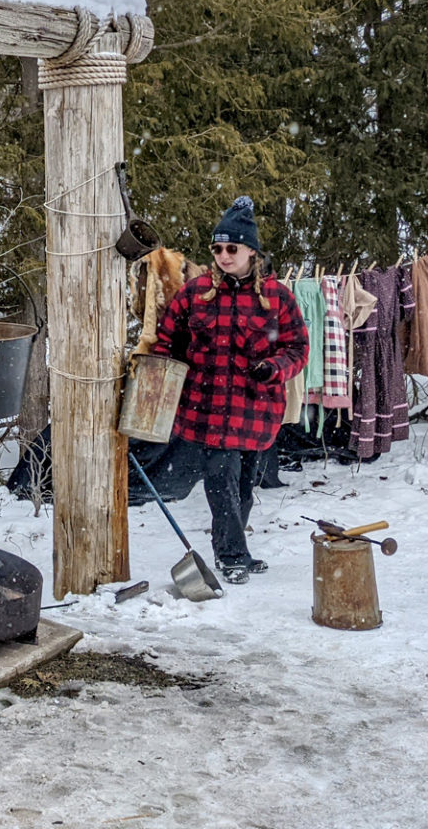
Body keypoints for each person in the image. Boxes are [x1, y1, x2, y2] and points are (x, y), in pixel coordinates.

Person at [147, 196, 308, 584]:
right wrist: (165, 379)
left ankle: (235, 549)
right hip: (207, 406)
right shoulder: (194, 293)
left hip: (256, 407)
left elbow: (298, 348)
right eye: (217, 249)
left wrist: (274, 368)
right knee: (221, 480)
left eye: (232, 248)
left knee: (244, 485)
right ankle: (232, 556)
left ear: (251, 251)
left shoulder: (278, 297)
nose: (223, 256)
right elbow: (166, 341)